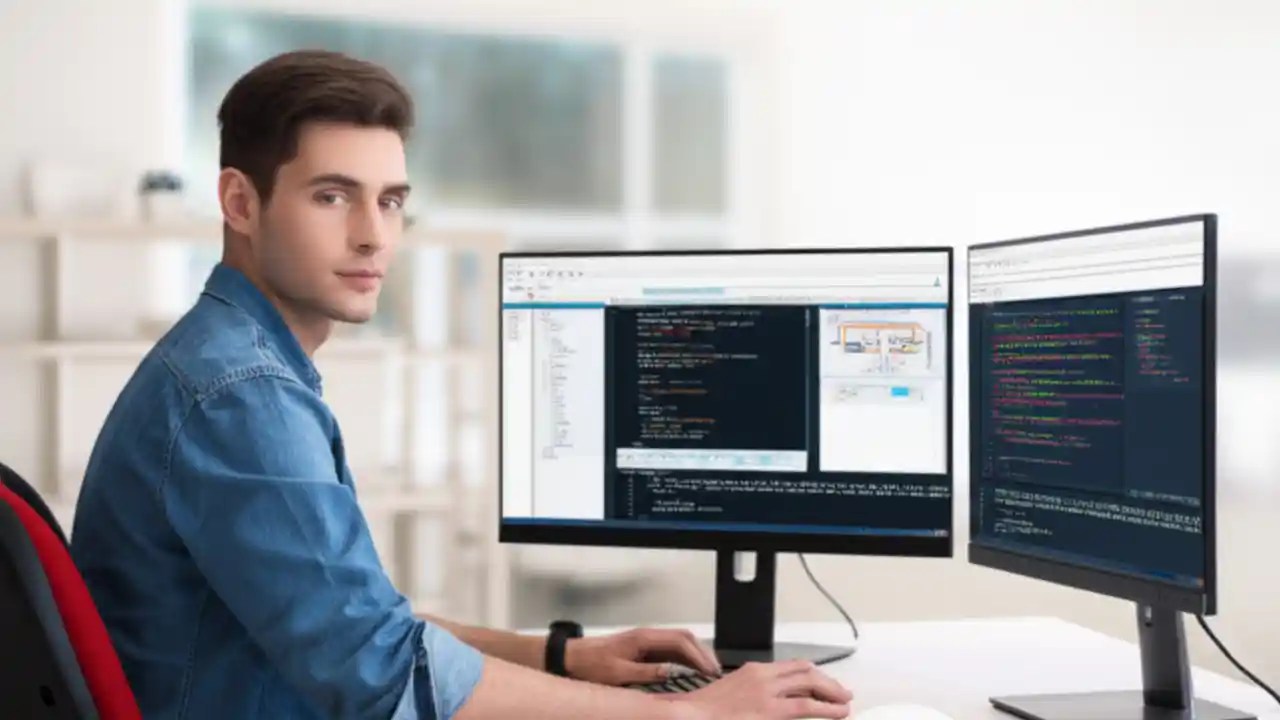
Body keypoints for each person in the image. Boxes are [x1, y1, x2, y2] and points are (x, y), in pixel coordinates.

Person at [70, 49, 853, 720]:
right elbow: (378, 675)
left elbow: (362, 629)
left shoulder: (234, 363)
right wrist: (688, 713)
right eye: (332, 196)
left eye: (392, 201)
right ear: (241, 201)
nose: (374, 234)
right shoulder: (240, 392)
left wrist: (562, 655)